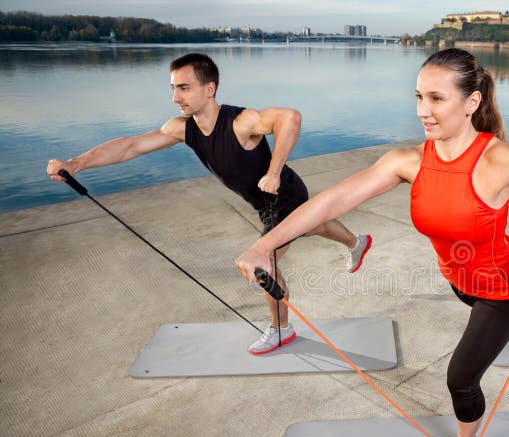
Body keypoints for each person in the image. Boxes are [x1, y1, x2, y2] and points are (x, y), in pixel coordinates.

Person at [235, 48, 509, 437]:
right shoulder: (410, 161)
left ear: (471, 103)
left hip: (502, 287)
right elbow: (332, 201)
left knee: (460, 378)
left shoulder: (500, 159)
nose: (424, 111)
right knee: (471, 298)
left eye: (437, 99)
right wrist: (265, 245)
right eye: (419, 97)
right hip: (460, 279)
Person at [46, 53, 372, 355]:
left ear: (209, 88)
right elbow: (130, 146)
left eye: (185, 88)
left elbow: (290, 117)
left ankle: (281, 329)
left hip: (283, 195)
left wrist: (274, 171)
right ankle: (357, 242)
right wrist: (76, 163)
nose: (176, 97)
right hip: (264, 203)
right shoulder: (183, 128)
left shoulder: (241, 123)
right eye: (174, 88)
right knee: (312, 224)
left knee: (263, 263)